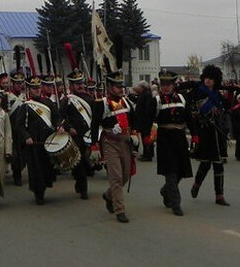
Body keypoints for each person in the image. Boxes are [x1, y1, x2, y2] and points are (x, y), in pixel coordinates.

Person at [90, 71, 138, 223]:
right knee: (116, 177)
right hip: (110, 142)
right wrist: (94, 146)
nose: (121, 89)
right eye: (117, 87)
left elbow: (134, 121)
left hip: (125, 141)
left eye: (122, 86)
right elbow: (94, 125)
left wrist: (135, 135)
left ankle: (108, 195)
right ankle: (120, 209)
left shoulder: (127, 102)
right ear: (109, 87)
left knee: (125, 175)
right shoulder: (101, 103)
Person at [143, 71, 192, 216]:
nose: (165, 87)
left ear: (173, 85)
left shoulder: (182, 98)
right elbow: (147, 120)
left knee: (182, 170)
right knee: (170, 171)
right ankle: (176, 204)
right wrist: (146, 136)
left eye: (168, 85)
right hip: (165, 139)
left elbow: (189, 117)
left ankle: (166, 190)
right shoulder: (156, 101)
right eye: (163, 84)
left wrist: (195, 134)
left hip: (180, 138)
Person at [188, 65, 230, 206]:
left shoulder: (217, 94)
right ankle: (197, 184)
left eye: (211, 79)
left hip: (217, 132)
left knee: (218, 164)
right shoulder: (197, 92)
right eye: (206, 78)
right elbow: (191, 109)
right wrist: (198, 114)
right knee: (205, 163)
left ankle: (219, 195)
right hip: (204, 131)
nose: (208, 81)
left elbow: (223, 109)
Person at [16, 75, 61, 205]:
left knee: (46, 166)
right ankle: (38, 193)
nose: (37, 90)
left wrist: (59, 126)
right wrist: (26, 137)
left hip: (48, 140)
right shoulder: (25, 106)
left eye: (38, 88)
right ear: (29, 89)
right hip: (34, 142)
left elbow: (57, 117)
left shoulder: (49, 103)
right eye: (34, 88)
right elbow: (19, 126)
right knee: (36, 169)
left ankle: (45, 186)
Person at [62, 69, 94, 200]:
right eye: (77, 84)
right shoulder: (68, 100)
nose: (80, 86)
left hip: (89, 134)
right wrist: (69, 127)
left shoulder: (89, 98)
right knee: (79, 161)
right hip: (76, 135)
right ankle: (83, 187)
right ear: (71, 86)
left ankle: (80, 181)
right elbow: (62, 117)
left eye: (81, 83)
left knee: (88, 161)